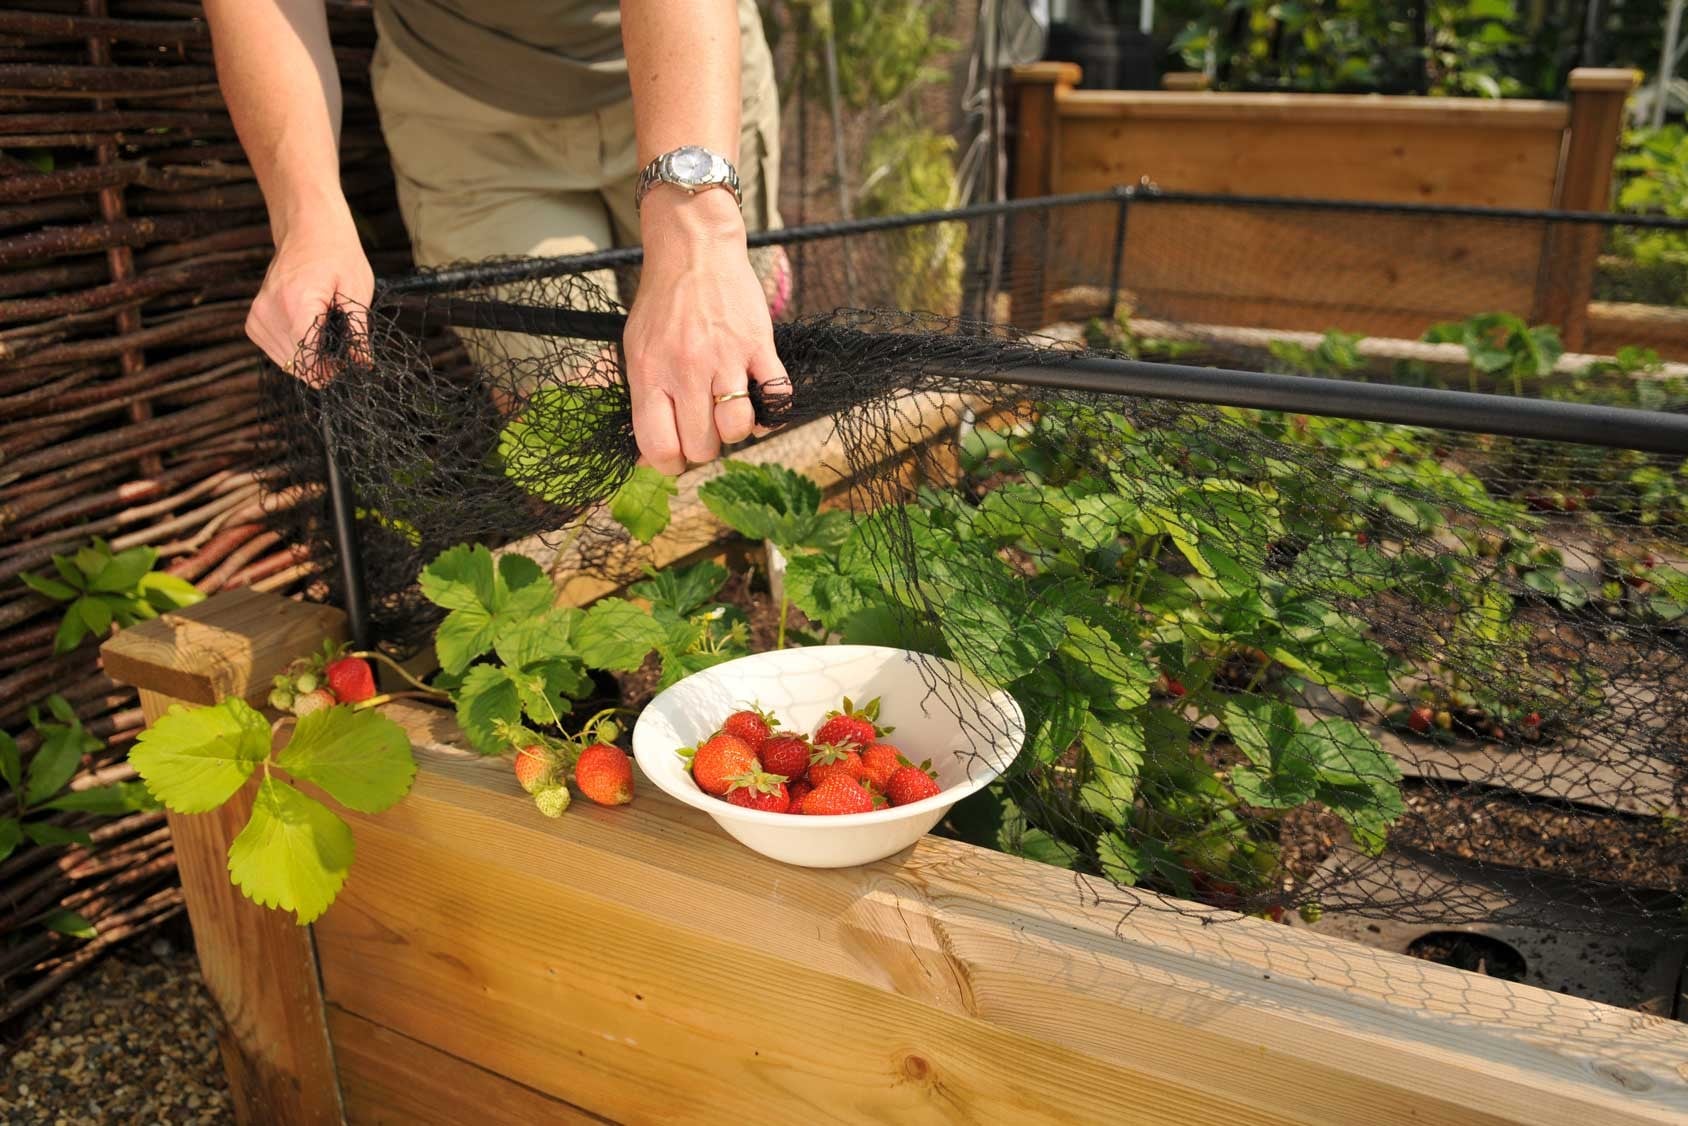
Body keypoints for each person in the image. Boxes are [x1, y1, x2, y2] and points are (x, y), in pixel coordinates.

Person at [203, 0, 790, 477]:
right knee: (573, 436)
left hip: (688, 66)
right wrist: (307, 218)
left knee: (729, 382)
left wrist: (697, 240)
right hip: (462, 116)